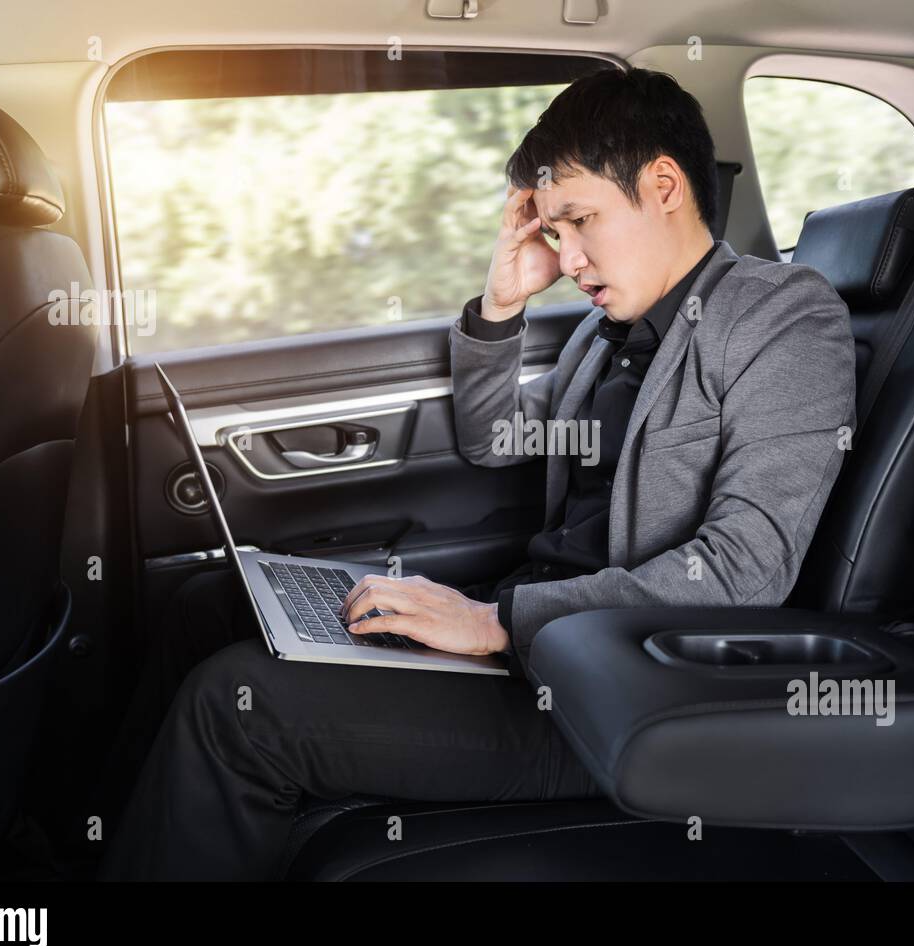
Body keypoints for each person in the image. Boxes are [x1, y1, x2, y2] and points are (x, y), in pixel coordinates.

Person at [98, 66, 855, 880]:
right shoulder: (604, 336)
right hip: (535, 639)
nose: (566, 257)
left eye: (579, 221)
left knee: (237, 708)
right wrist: (501, 304)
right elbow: (497, 439)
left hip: (618, 692)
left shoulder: (782, 314)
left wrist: (497, 623)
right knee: (207, 604)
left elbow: (745, 572)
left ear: (664, 185)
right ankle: (91, 848)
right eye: (553, 232)